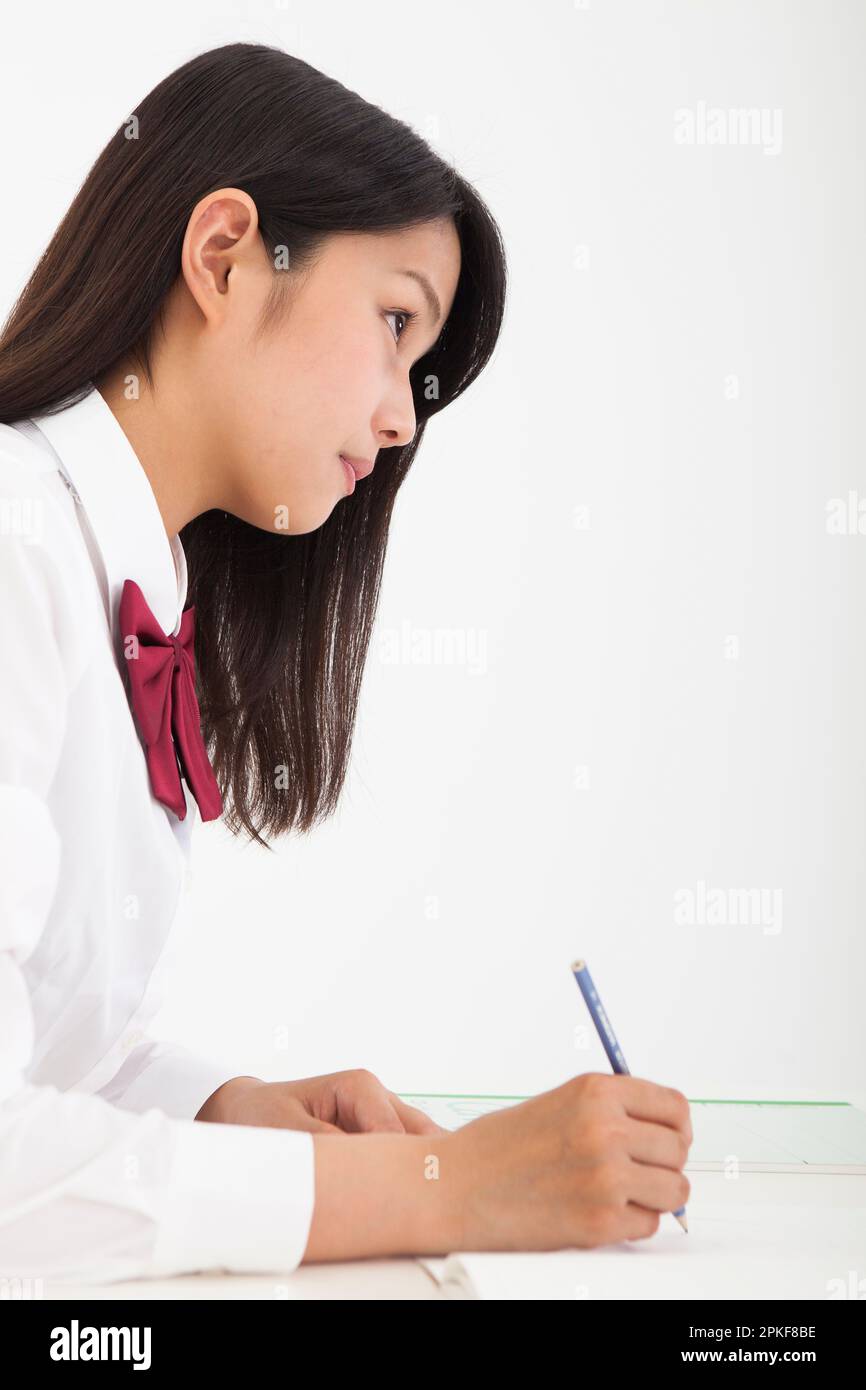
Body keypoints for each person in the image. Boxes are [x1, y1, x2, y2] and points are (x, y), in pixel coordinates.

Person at [0, 41, 690, 1284]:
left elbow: (58, 1058)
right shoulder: (12, 543)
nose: (402, 414)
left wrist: (220, 1103)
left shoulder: (134, 591)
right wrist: (446, 1184)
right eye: (393, 321)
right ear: (224, 257)